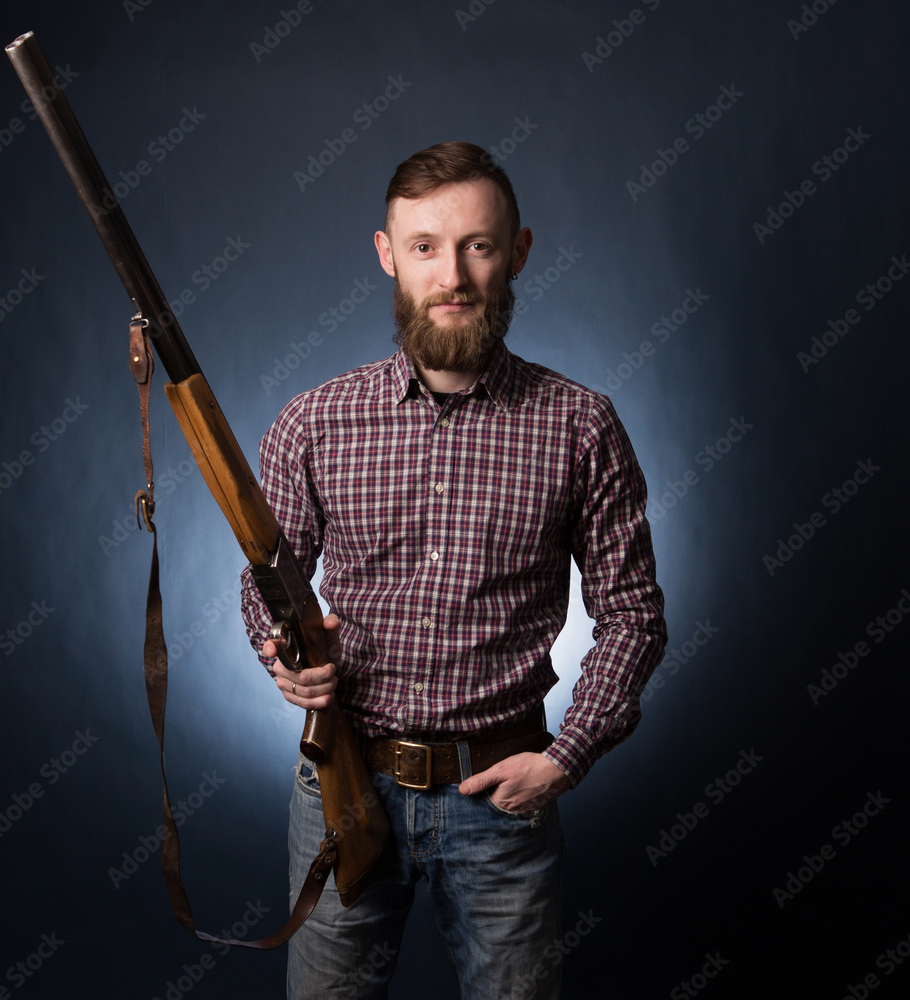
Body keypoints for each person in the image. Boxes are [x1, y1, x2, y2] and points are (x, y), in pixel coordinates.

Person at [241, 141, 666, 999]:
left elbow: (632, 616)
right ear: (387, 254)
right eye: (426, 246)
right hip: (341, 787)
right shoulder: (313, 424)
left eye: (477, 244)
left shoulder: (582, 427)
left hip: (503, 801)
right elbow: (266, 580)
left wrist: (567, 755)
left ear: (517, 252)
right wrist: (282, 649)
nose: (453, 274)